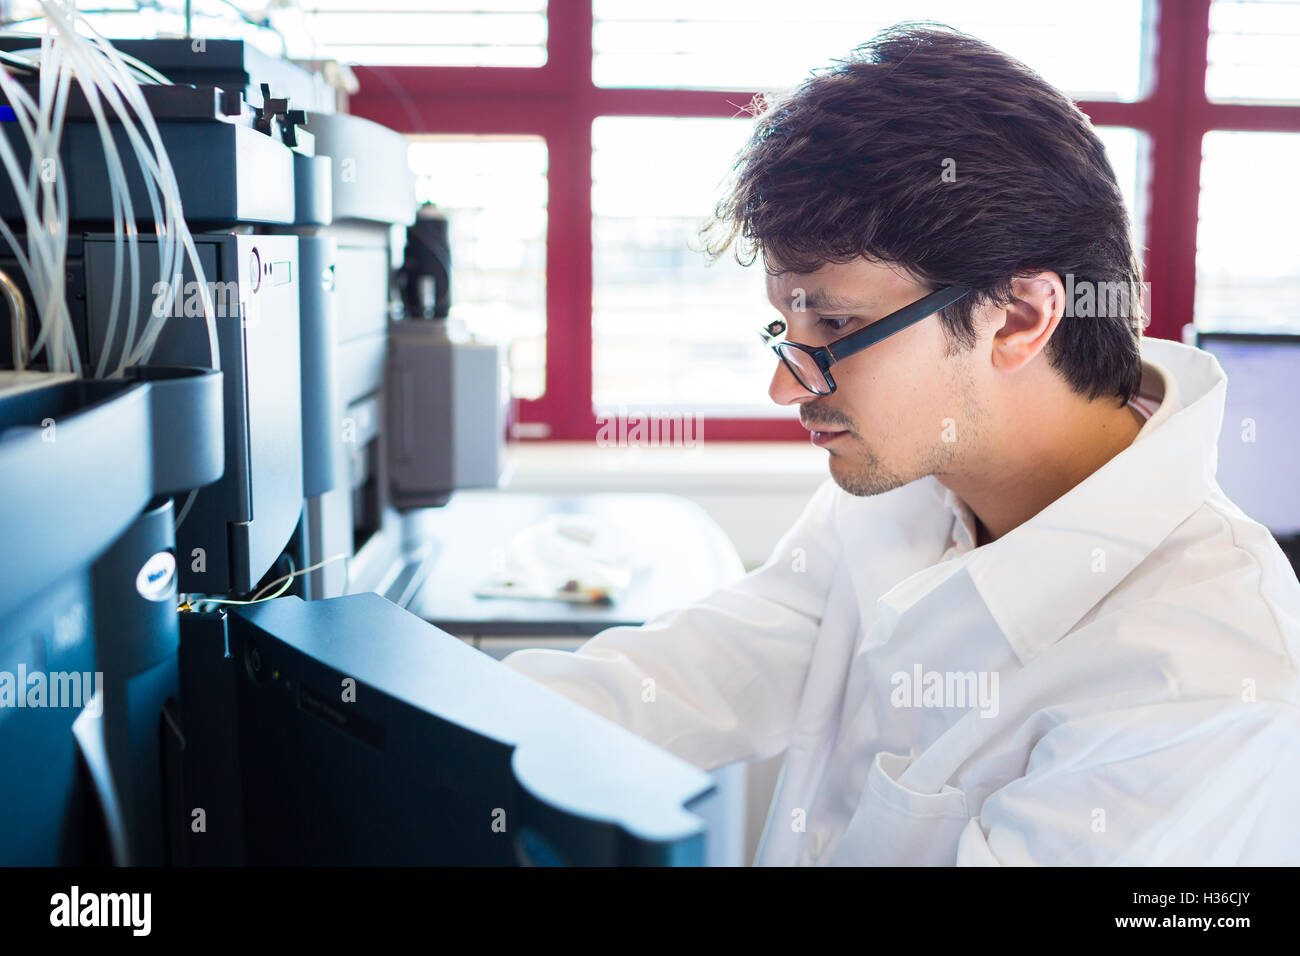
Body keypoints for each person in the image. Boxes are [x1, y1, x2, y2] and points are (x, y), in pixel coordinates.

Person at [502, 23, 1300, 866]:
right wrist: (430, 732)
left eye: (836, 324)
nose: (786, 386)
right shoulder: (919, 477)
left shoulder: (1200, 675)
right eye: (790, 326)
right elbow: (701, 670)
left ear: (1020, 318)